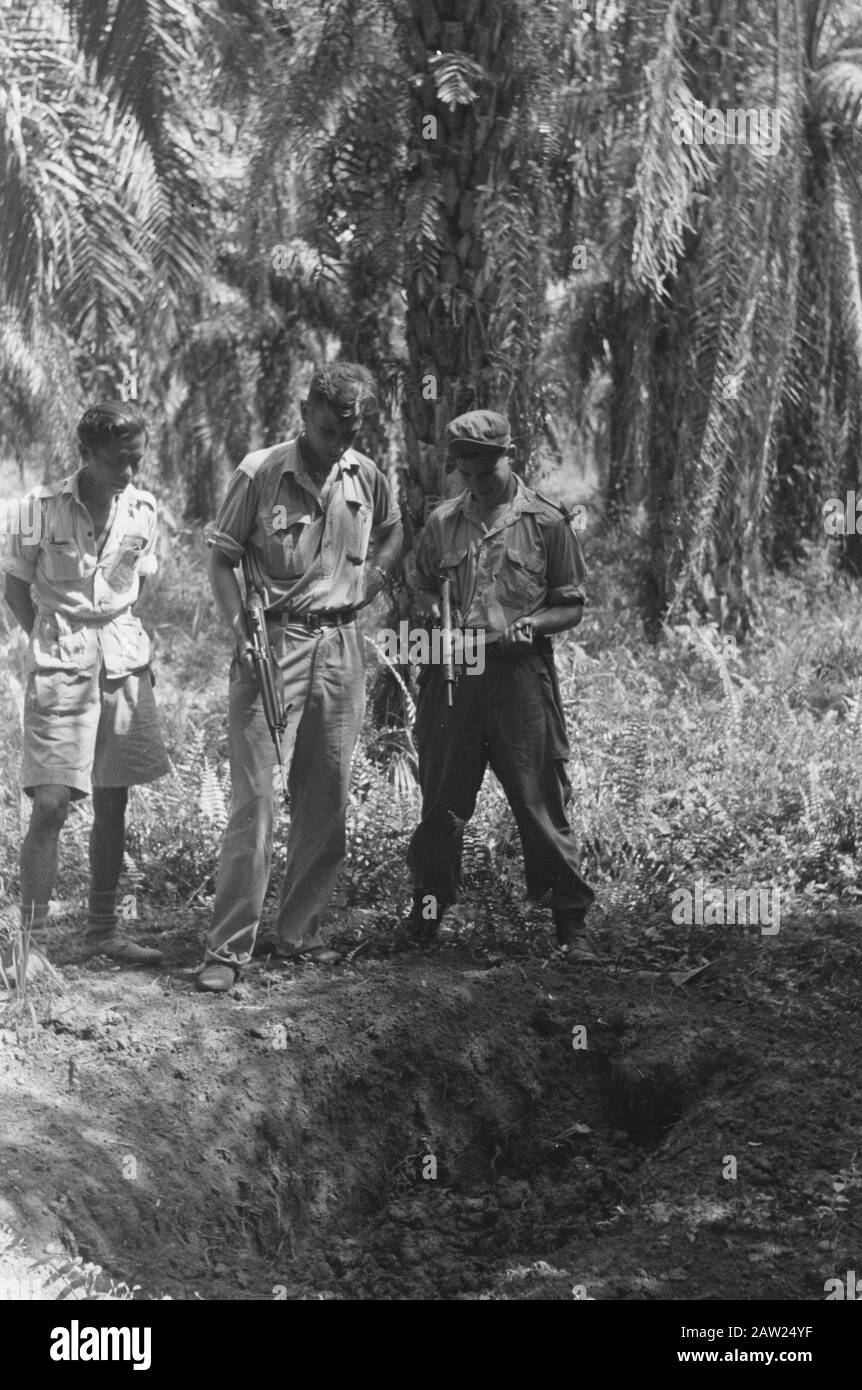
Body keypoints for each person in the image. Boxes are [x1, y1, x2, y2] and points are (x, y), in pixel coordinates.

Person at [198, 362, 403, 993]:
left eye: (353, 424)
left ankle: (299, 933)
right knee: (256, 798)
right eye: (328, 424)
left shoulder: (366, 476)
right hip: (272, 645)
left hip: (341, 646)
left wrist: (374, 579)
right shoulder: (261, 472)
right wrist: (240, 627)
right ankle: (230, 948)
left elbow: (393, 533)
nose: (339, 436)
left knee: (328, 793)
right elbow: (222, 556)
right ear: (304, 412)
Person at [402, 409, 598, 958]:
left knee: (538, 798)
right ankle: (426, 915)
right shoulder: (443, 522)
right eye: (466, 470)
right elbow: (419, 584)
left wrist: (532, 624)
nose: (477, 480)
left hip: (518, 677)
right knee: (441, 801)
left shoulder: (548, 521)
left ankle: (571, 927)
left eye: (486, 468)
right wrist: (431, 616)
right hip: (453, 676)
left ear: (509, 456)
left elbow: (570, 606)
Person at [2, 401, 170, 982]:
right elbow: (15, 585)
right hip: (60, 663)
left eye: (136, 460)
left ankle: (102, 931)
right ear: (88, 454)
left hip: (123, 661)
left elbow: (135, 584)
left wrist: (111, 638)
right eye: (118, 461)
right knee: (51, 800)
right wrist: (51, 641)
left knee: (113, 798)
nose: (129, 471)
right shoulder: (36, 509)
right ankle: (28, 944)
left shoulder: (145, 510)